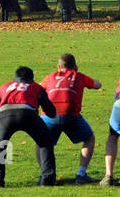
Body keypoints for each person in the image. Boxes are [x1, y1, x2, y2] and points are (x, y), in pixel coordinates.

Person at [0, 67, 58, 187]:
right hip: (27, 114)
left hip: (4, 115)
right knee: (45, 142)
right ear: (31, 78)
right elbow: (51, 112)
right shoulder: (36, 87)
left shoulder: (4, 86)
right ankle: (47, 179)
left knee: (0, 147)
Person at [40, 54, 101, 185]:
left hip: (49, 116)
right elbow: (97, 85)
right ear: (75, 66)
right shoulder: (79, 76)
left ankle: (45, 175)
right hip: (71, 115)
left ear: (58, 67)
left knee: (42, 142)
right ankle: (81, 174)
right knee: (89, 139)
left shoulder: (50, 77)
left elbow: (39, 88)